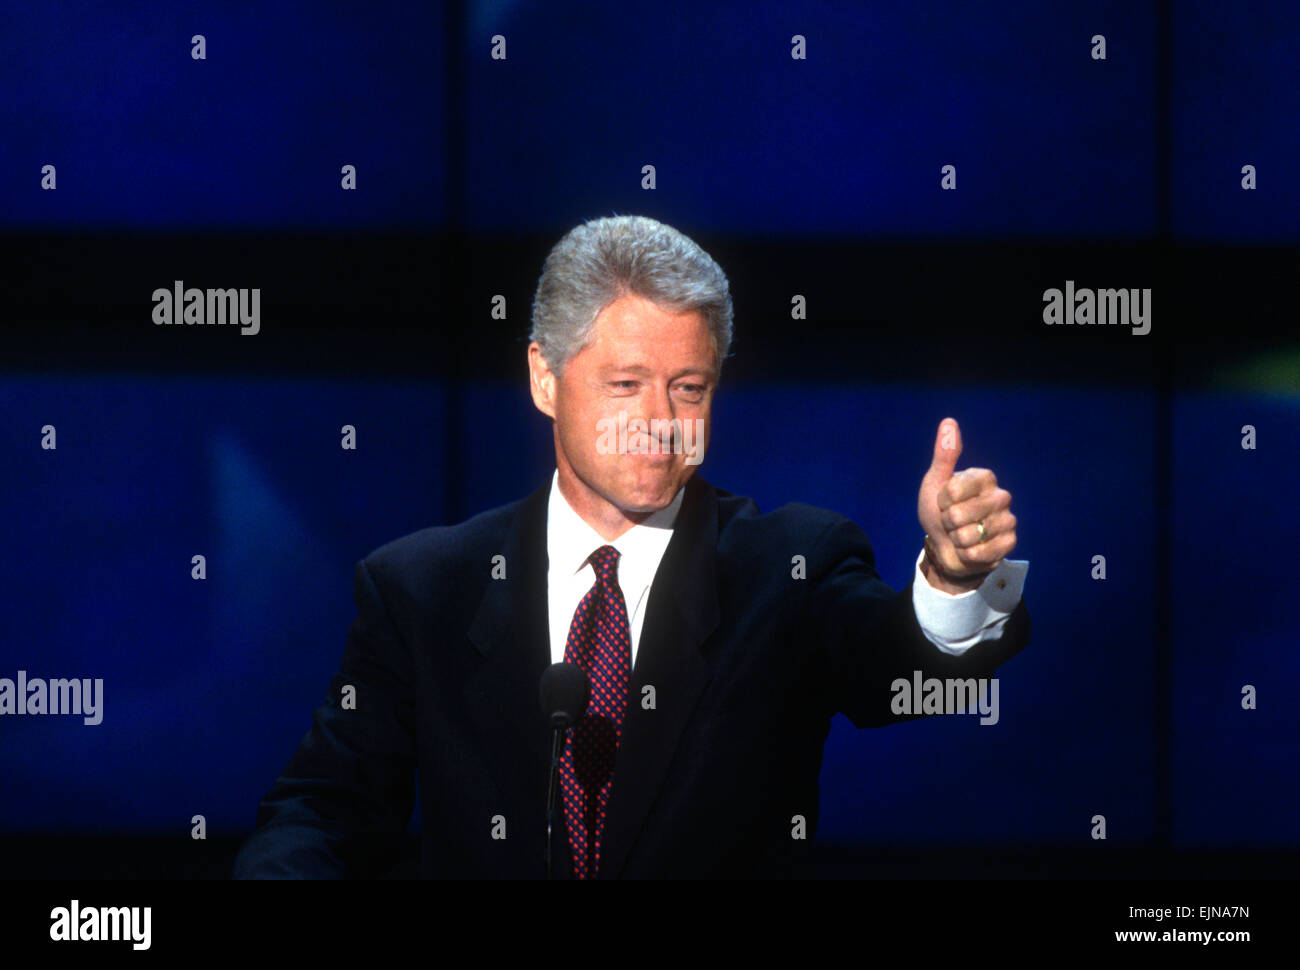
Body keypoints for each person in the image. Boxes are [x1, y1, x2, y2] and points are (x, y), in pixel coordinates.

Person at [232, 214, 1030, 879]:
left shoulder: (786, 566)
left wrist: (953, 578)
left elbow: (901, 665)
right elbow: (323, 813)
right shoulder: (423, 588)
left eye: (689, 387)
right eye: (626, 383)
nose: (660, 419)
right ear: (545, 378)